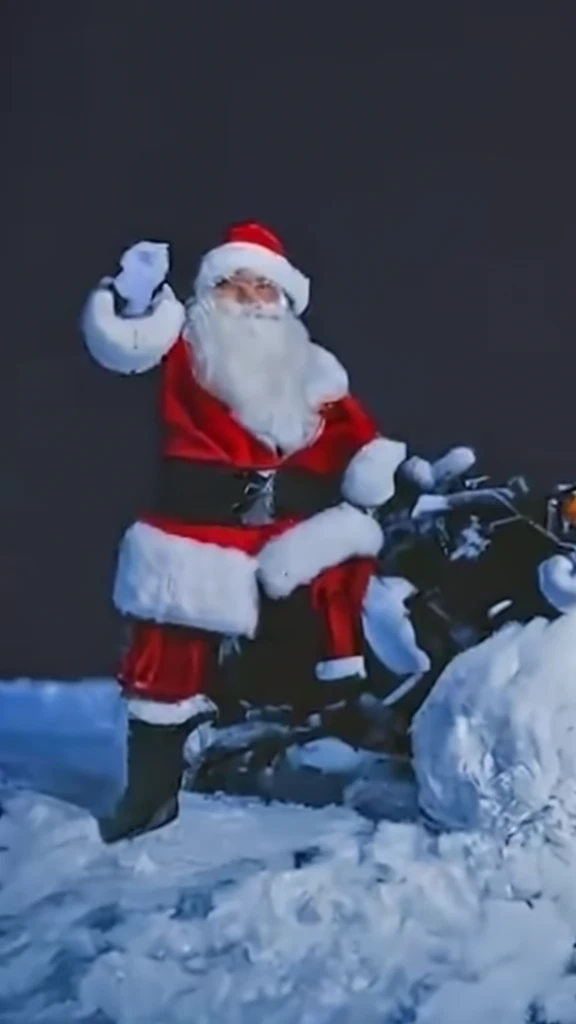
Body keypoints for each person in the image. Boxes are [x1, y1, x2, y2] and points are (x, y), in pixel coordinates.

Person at [81, 221, 411, 841]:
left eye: (267, 288)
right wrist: (134, 299)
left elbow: (352, 436)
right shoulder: (186, 343)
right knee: (164, 671)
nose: (254, 299)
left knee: (341, 577)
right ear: (212, 293)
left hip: (275, 533)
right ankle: (150, 796)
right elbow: (129, 343)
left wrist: (374, 464)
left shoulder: (309, 367)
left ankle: (318, 722)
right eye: (238, 286)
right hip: (190, 534)